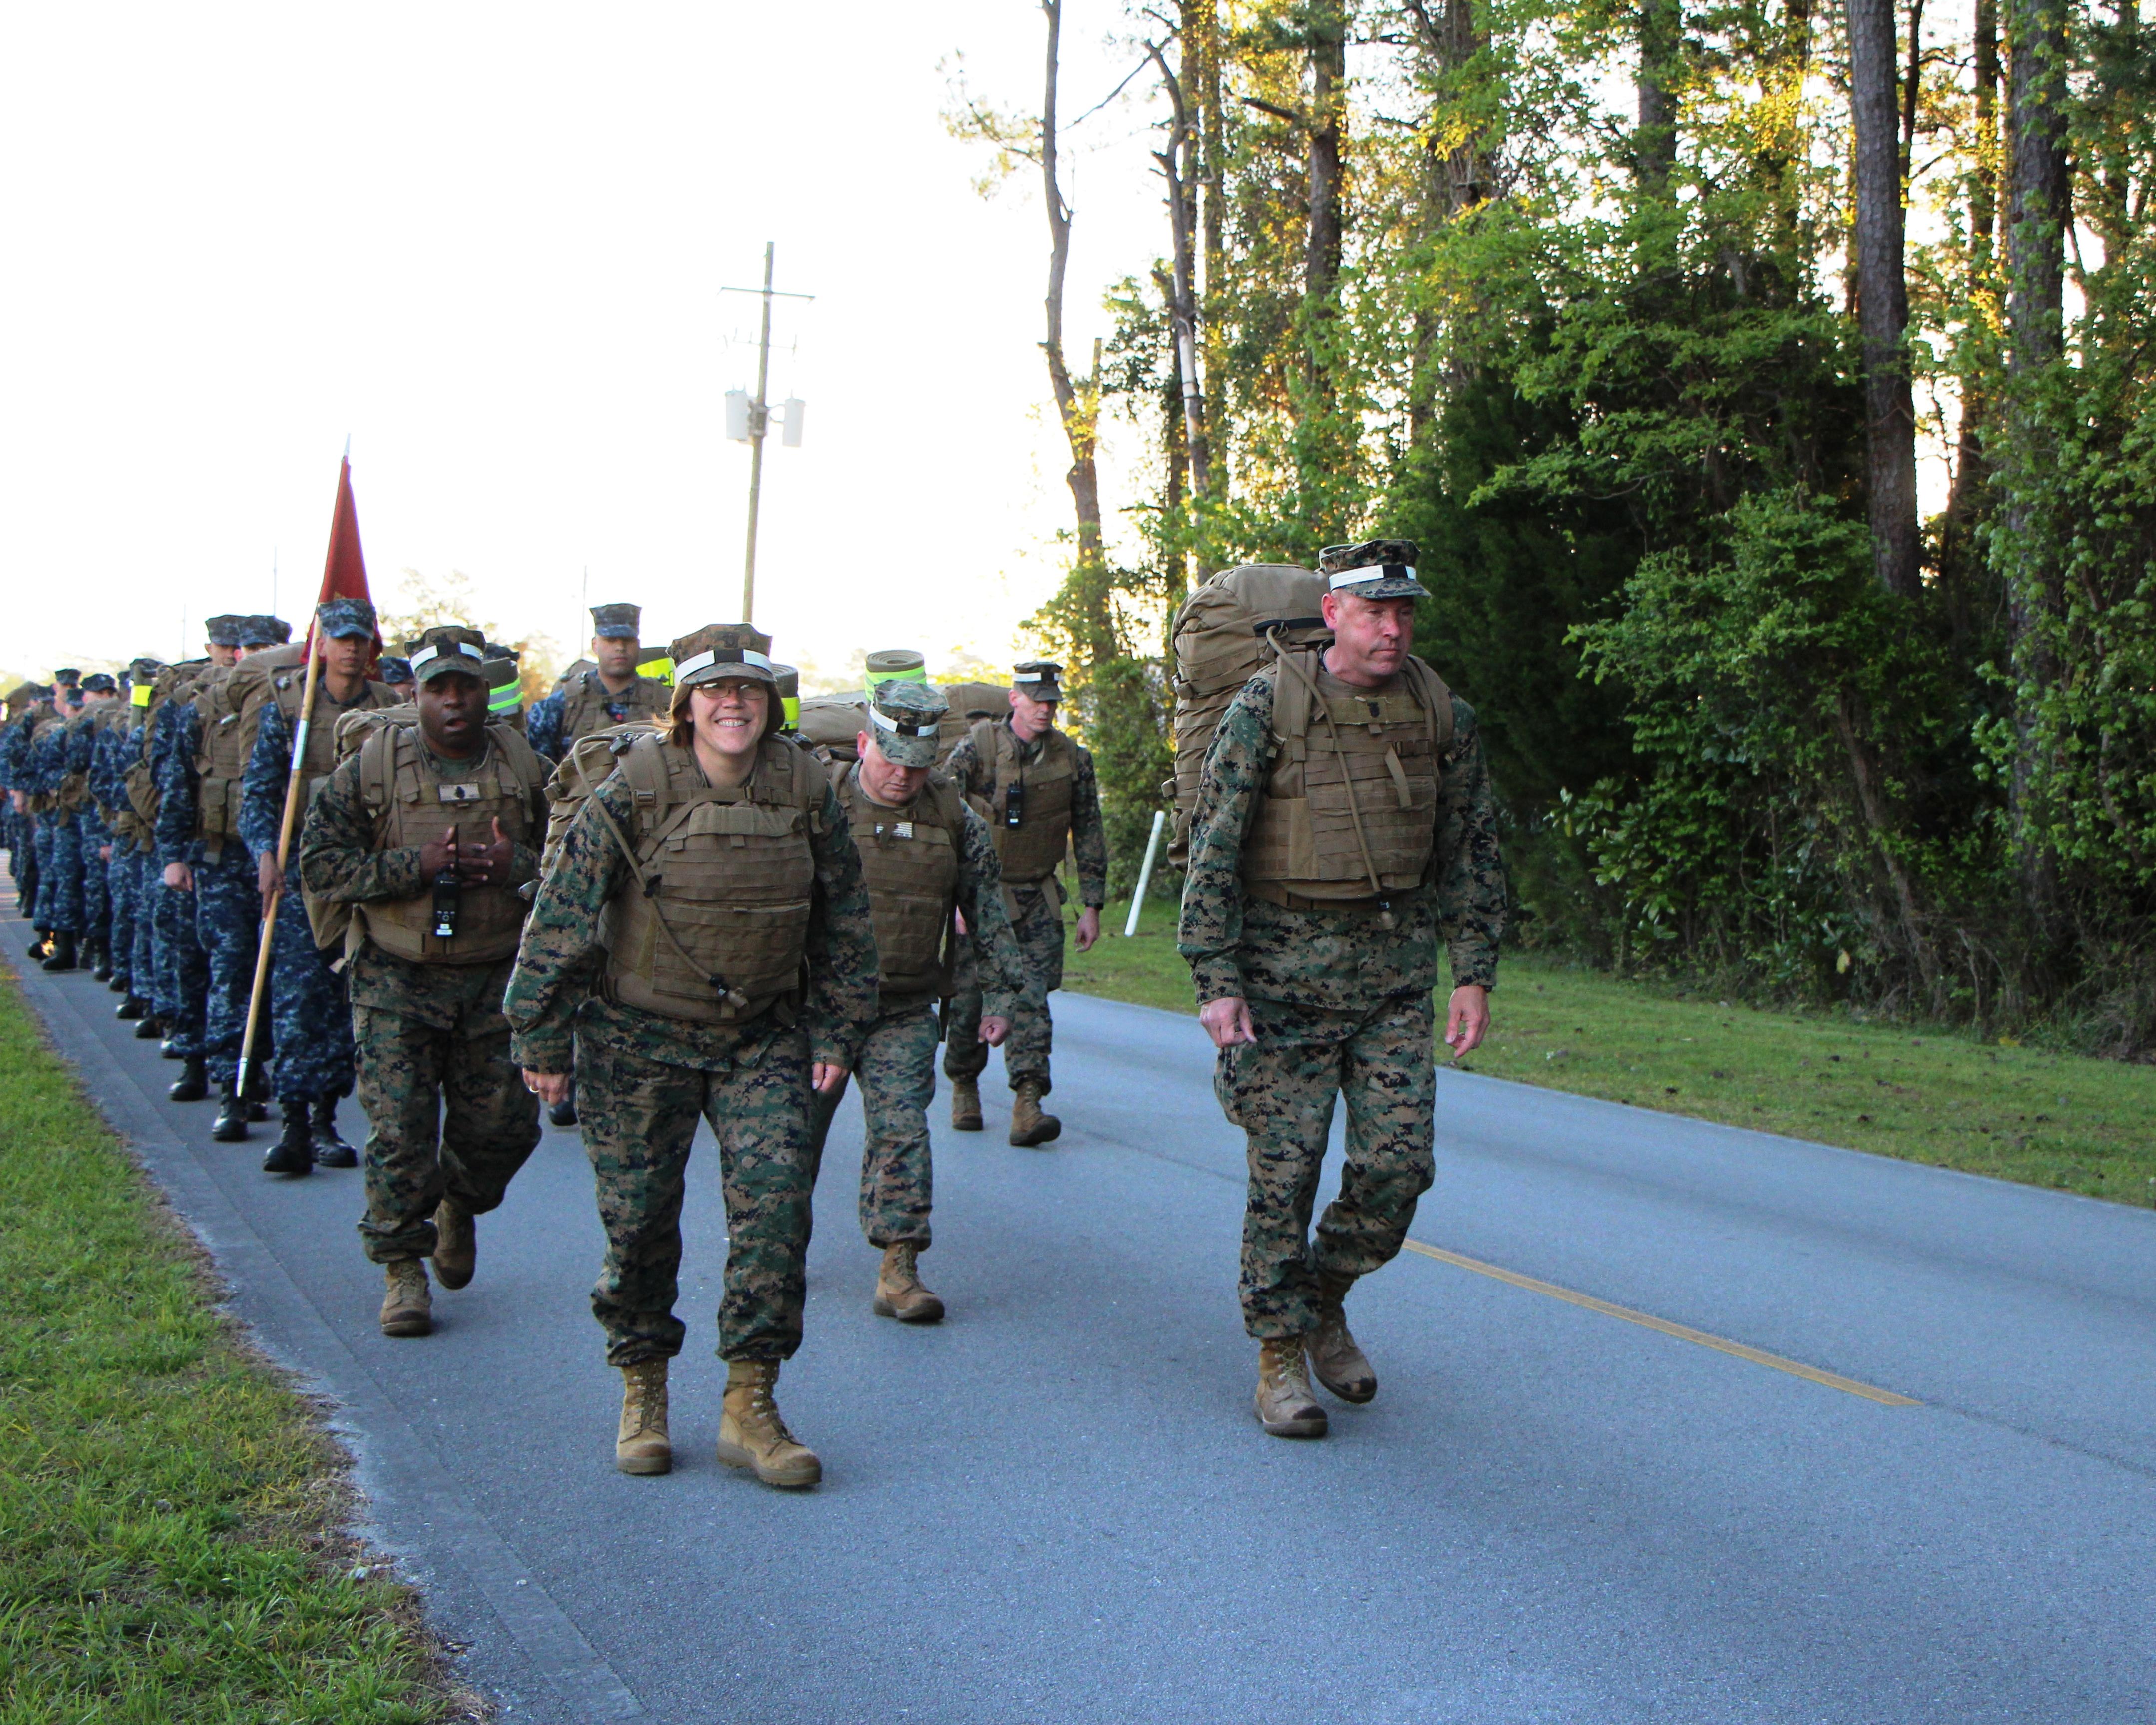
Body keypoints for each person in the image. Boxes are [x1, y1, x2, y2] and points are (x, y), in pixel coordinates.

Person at [506, 624, 879, 1488]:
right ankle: (642, 1385)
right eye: (715, 690)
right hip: (636, 1038)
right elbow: (563, 913)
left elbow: (845, 914)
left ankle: (751, 1401)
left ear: (769, 703)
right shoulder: (635, 785)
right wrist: (539, 1031)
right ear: (685, 704)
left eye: (748, 689)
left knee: (775, 1216)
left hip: (762, 1035)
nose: (732, 703)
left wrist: (839, 1026)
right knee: (639, 1223)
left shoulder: (803, 787)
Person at [1179, 539, 1507, 1440]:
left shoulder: (1440, 713)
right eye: (1373, 612)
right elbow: (1214, 846)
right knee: (1282, 1176)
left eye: (1404, 612)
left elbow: (1471, 848)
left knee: (1398, 1167)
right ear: (1332, 614)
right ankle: (1280, 1353)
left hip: (1392, 982)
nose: (1392, 629)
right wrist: (1216, 978)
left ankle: (1322, 1295)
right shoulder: (1268, 704)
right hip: (1280, 984)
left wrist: (1472, 970)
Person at [300, 625, 548, 1336]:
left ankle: (460, 1203)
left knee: (504, 1128)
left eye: (466, 686)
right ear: (416, 693)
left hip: (497, 976)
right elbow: (320, 865)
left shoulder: (527, 767)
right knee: (400, 1130)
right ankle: (402, 1266)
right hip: (396, 975)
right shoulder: (372, 768)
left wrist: (515, 867)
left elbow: (577, 862)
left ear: (486, 691)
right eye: (438, 688)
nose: (453, 701)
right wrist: (416, 866)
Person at [804, 676, 1031, 1324]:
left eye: (918, 763)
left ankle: (898, 1267)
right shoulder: (818, 808)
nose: (903, 775)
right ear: (862, 744)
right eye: (891, 758)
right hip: (814, 1010)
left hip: (902, 1008)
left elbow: (987, 912)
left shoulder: (953, 818)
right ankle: (775, 1248)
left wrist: (1000, 995)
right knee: (793, 1139)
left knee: (902, 1133)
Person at [241, 599, 401, 1176]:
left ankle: (325, 1119)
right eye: (341, 639)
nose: (352, 649)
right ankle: (293, 1120)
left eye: (361, 639)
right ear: (323, 645)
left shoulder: (391, 710)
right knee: (298, 998)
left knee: (348, 1000)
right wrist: (264, 854)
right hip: (303, 877)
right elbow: (259, 792)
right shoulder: (291, 707)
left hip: (370, 876)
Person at [939, 660, 1107, 1146]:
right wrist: (951, 897)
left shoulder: (1072, 758)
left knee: (1031, 1001)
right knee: (970, 1001)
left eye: (1052, 701)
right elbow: (943, 819)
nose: (1045, 709)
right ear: (1015, 698)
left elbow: (1088, 829)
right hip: (979, 896)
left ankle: (1028, 1102)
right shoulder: (977, 749)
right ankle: (964, 1083)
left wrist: (1092, 905)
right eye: (1036, 700)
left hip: (1036, 897)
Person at [158, 615, 290, 1135]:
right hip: (222, 859)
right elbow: (178, 783)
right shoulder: (204, 707)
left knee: (280, 972)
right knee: (230, 969)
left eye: (265, 647)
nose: (253, 658)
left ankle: (264, 1072)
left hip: (283, 860)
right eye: (245, 649)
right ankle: (229, 1079)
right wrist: (173, 855)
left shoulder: (298, 705)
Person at [524, 603, 669, 765]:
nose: (620, 647)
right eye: (610, 640)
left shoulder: (665, 703)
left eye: (628, 640)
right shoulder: (564, 704)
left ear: (638, 644)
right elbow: (537, 766)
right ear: (595, 645)